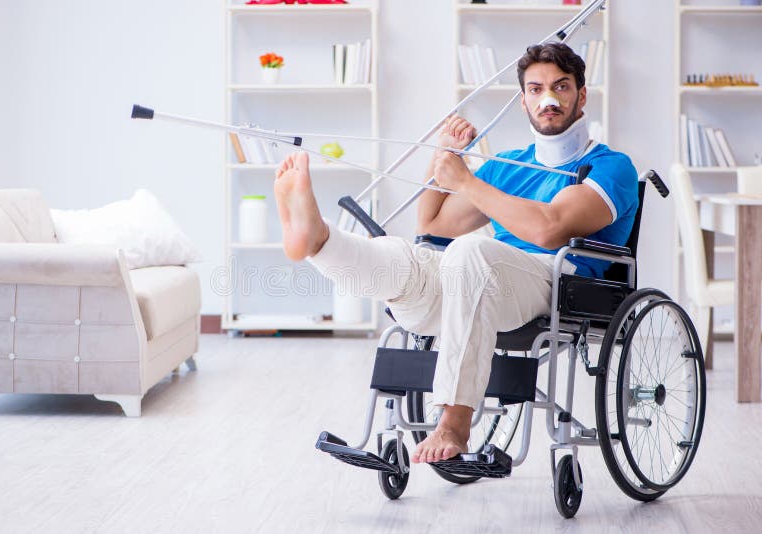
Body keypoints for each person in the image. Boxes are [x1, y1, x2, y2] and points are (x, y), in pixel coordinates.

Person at [273, 43, 638, 464]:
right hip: (479, 280)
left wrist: (466, 182)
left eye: (560, 87)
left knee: (469, 253)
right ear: (523, 101)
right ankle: (319, 240)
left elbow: (549, 227)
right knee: (404, 260)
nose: (548, 99)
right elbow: (431, 225)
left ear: (581, 95)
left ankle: (454, 421)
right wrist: (442, 156)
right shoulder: (509, 165)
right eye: (535, 90)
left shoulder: (611, 166)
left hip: (556, 280)